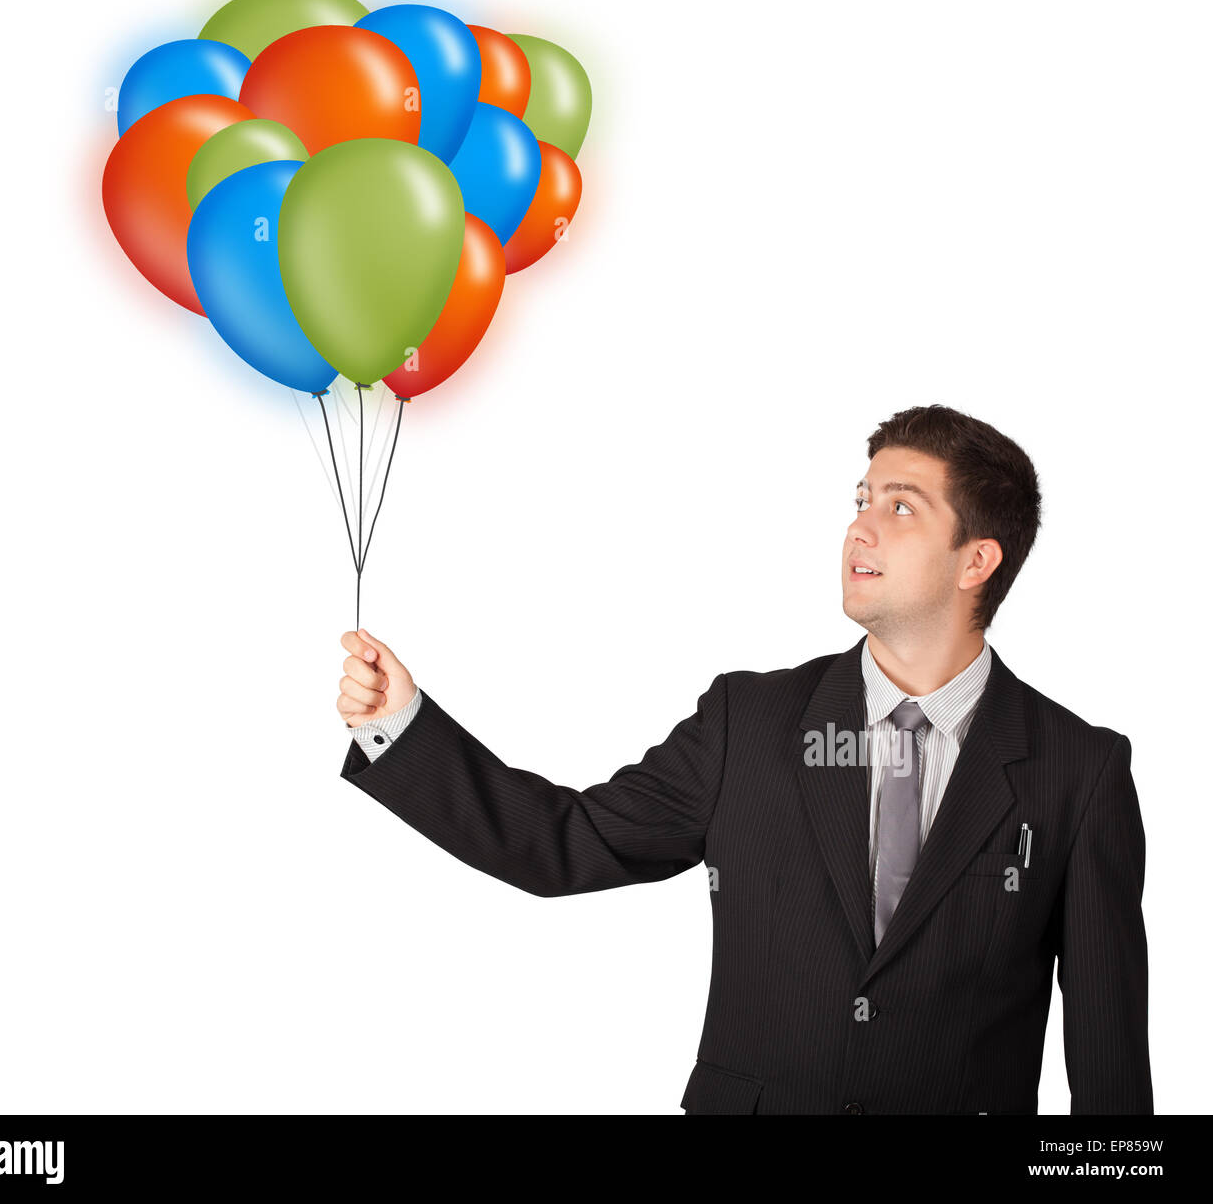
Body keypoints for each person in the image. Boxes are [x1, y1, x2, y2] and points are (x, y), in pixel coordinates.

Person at [334, 404, 1153, 1115]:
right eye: (861, 499)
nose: (860, 526)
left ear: (976, 560)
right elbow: (564, 844)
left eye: (901, 508)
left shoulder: (1078, 773)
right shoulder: (748, 723)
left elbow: (1111, 1070)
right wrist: (400, 726)